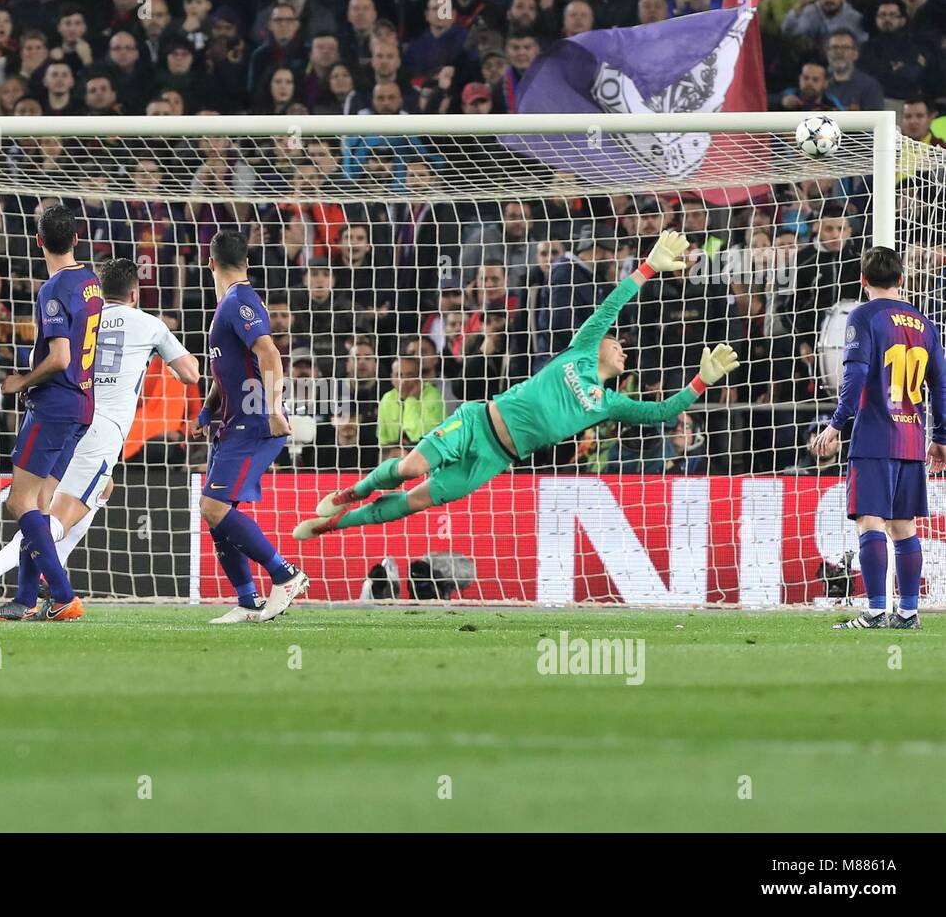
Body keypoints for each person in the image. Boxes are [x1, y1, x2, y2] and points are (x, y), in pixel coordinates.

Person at [294, 232, 740, 539]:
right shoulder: (580, 349)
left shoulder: (607, 402)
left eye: (624, 348)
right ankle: (354, 492)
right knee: (410, 469)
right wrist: (647, 268)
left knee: (415, 501)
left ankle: (332, 525)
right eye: (617, 342)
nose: (622, 348)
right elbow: (610, 306)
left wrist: (701, 381)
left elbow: (661, 413)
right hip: (477, 422)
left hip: (495, 458)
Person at [0, 257, 200, 620]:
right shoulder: (150, 324)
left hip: (68, 414)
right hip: (103, 430)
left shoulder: (85, 314)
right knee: (56, 517)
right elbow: (190, 374)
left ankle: (37, 588)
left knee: (99, 490)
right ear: (135, 293)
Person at [0, 204, 103, 622]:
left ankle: (63, 595)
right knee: (41, 502)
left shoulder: (54, 289)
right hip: (83, 403)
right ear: (77, 239)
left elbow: (60, 357)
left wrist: (23, 380)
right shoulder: (91, 282)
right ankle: (25, 598)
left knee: (20, 500)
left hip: (55, 403)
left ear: (38, 242)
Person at [812, 247, 946, 630]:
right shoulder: (925, 323)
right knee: (903, 526)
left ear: (863, 280)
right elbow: (941, 385)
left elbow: (855, 376)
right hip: (911, 439)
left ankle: (874, 612)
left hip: (874, 436)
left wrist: (836, 424)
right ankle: (908, 613)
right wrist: (941, 436)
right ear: (901, 280)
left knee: (870, 522)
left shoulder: (864, 316)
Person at [191, 229, 309, 624]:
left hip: (255, 422)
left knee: (213, 507)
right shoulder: (229, 302)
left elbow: (269, 353)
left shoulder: (239, 301)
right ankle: (247, 600)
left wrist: (274, 409)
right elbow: (227, 368)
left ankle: (285, 574)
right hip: (233, 423)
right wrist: (207, 410)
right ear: (247, 262)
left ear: (210, 263)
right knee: (216, 512)